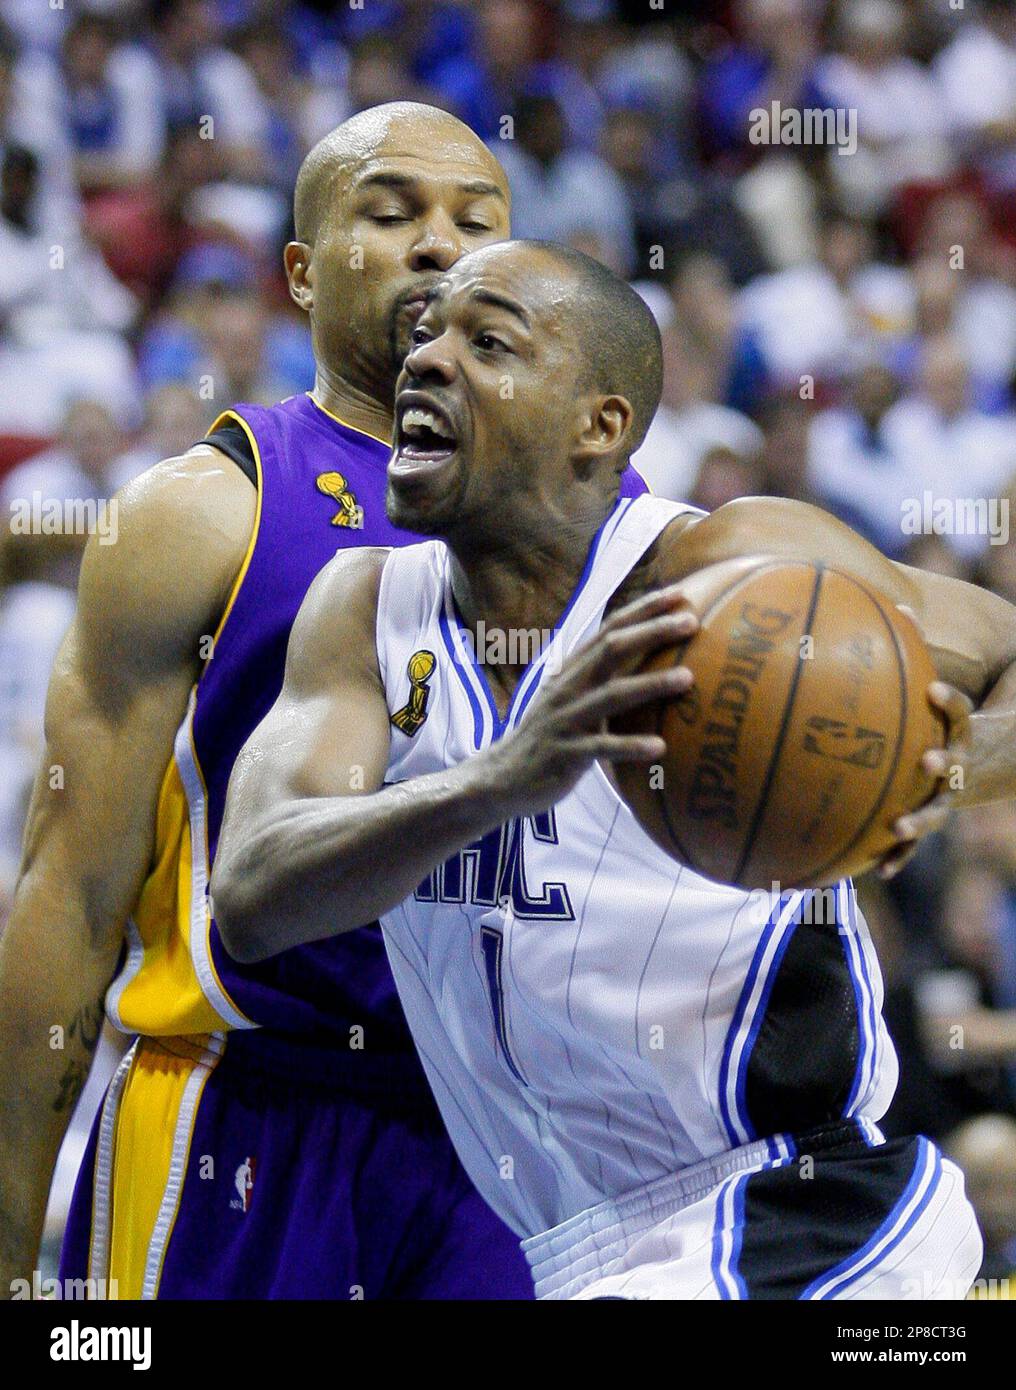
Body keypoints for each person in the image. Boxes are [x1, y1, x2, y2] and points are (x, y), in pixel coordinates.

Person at [214, 239, 1016, 1299]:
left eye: (485, 340)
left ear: (598, 426)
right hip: (570, 1251)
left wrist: (923, 772)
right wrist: (497, 781)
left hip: (796, 1207)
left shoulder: (728, 572)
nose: (427, 360)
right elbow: (253, 897)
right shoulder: (363, 609)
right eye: (425, 335)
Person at [0, 104, 649, 1301]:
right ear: (299, 273)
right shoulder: (204, 509)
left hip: (513, 1142)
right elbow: (70, 888)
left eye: (477, 221)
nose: (438, 245)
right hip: (243, 1114)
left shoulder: (630, 519)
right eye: (392, 214)